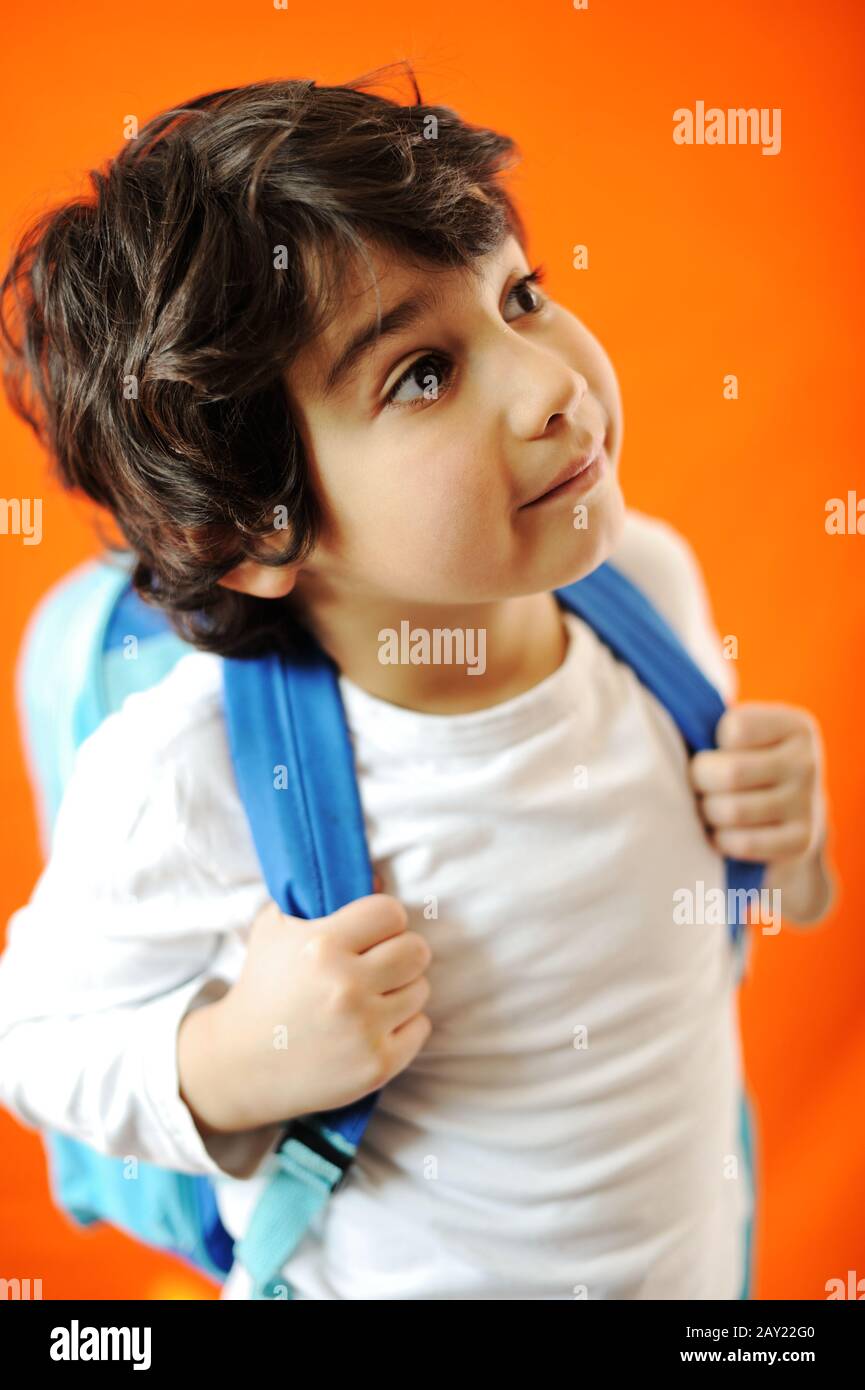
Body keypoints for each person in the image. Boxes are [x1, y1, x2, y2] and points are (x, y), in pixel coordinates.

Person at [0, 66, 834, 1299]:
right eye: (423, 373)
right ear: (259, 529)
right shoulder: (204, 766)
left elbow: (733, 926)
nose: (552, 385)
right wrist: (240, 1054)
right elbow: (38, 1044)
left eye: (521, 295)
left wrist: (790, 846)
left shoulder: (646, 593)